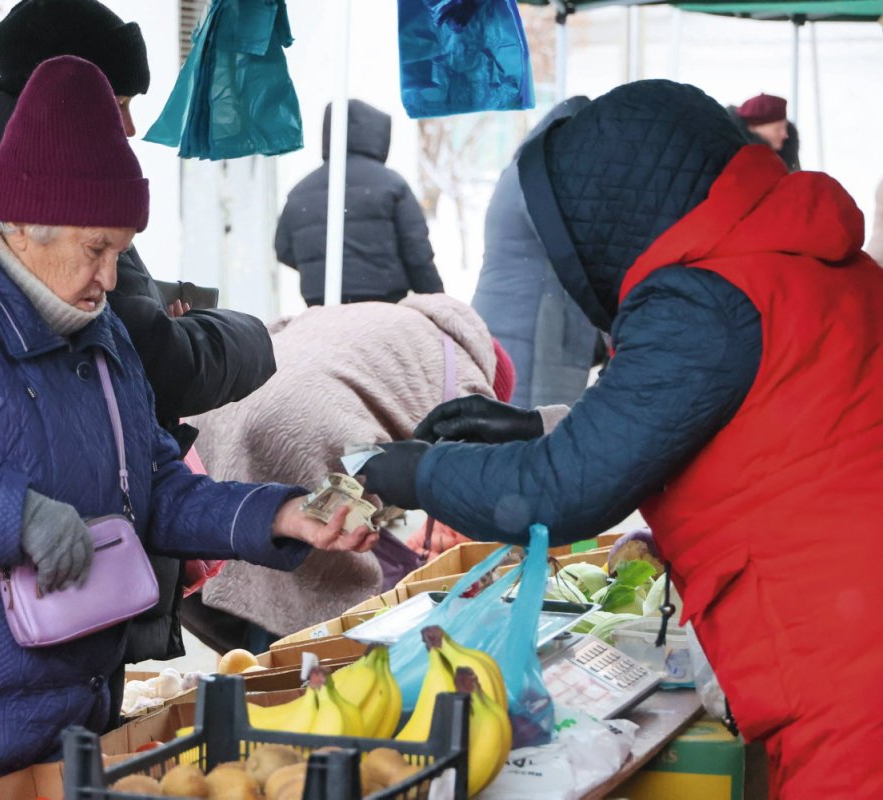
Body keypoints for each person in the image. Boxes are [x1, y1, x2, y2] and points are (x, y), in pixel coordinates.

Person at [0, 57, 376, 799]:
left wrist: (282, 512)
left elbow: (157, 490)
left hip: (75, 708)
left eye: (120, 250)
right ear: (24, 229)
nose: (110, 278)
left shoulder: (100, 334)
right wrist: (9, 515)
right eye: (96, 249)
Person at [359, 80, 883, 798]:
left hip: (848, 670)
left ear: (612, 218)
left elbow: (563, 490)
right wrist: (534, 423)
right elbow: (721, 418)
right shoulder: (788, 261)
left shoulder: (705, 300)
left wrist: (417, 473)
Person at [0, 0, 278, 668]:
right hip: (38, 596)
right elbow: (153, 356)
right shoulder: (4, 226)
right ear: (56, 103)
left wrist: (277, 517)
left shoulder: (12, 192)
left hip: (63, 570)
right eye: (117, 101)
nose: (132, 125)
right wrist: (252, 337)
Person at [182, 294, 514, 652]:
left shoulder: (369, 313)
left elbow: (275, 329)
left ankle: (256, 679)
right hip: (301, 427)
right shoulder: (468, 382)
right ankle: (294, 683)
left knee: (248, 564)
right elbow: (461, 481)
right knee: (308, 598)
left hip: (211, 412)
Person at [472, 95, 605, 409]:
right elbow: (580, 246)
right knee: (525, 428)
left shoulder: (527, 168)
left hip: (515, 318)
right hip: (526, 327)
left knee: (513, 425)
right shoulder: (542, 178)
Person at [275, 99, 445, 306]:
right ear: (378, 136)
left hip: (321, 309)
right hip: (382, 305)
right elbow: (417, 252)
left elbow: (283, 249)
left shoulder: (299, 192)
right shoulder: (392, 184)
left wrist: (318, 269)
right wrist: (437, 300)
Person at [728, 92, 800, 171]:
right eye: (777, 129)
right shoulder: (732, 163)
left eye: (785, 127)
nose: (785, 135)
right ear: (753, 128)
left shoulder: (788, 156)